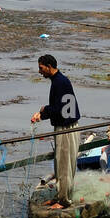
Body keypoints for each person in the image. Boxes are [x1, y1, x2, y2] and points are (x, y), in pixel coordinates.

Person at [30, 54, 81, 207]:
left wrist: (44, 113)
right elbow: (63, 106)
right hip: (63, 125)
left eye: (41, 68)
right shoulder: (58, 81)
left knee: (65, 165)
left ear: (49, 66)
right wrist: (45, 111)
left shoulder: (60, 82)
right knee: (60, 163)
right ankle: (60, 196)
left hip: (66, 128)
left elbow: (63, 109)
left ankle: (64, 201)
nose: (40, 72)